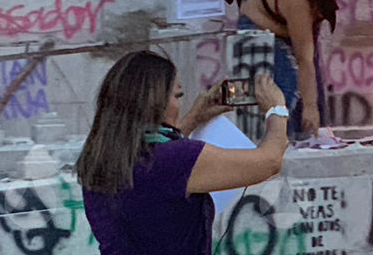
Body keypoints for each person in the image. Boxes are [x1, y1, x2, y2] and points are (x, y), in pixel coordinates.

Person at [78, 50, 288, 255]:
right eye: (177, 95)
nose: (180, 103)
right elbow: (269, 162)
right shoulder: (173, 159)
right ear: (155, 102)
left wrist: (194, 118)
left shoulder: (98, 157)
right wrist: (276, 109)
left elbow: (155, 163)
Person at [237, 0, 346, 137]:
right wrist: (310, 107)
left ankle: (305, 135)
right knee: (288, 88)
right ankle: (284, 140)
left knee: (306, 81)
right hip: (255, 32)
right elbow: (304, 58)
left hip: (276, 31)